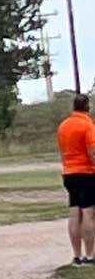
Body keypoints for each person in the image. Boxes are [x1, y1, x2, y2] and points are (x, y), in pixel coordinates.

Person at [57, 93, 95, 264]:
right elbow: (92, 151)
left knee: (74, 213)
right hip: (86, 172)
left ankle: (77, 255)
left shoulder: (63, 126)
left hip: (69, 172)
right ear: (88, 107)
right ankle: (90, 254)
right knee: (89, 213)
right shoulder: (88, 125)